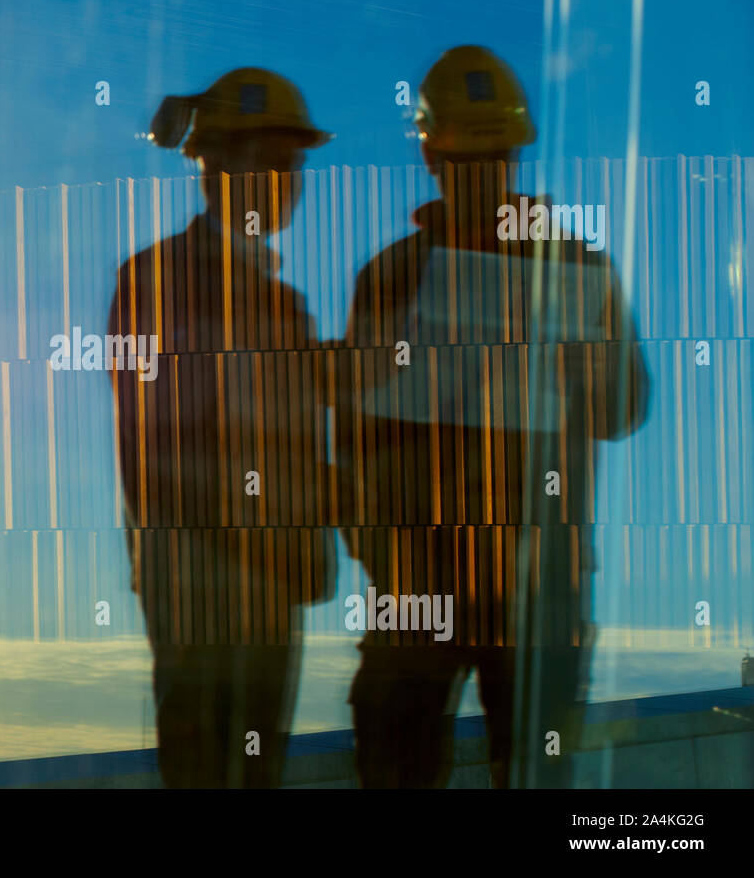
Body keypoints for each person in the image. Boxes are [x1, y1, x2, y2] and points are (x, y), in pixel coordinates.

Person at [334, 45, 651, 787]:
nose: (482, 176)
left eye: (494, 160)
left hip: (534, 585)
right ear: (435, 162)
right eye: (467, 160)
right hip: (423, 579)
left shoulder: (578, 269)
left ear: (512, 161)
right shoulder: (390, 278)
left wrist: (592, 369)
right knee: (395, 765)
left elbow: (627, 405)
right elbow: (352, 431)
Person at [106, 67, 338, 787]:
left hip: (268, 580)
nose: (289, 180)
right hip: (206, 584)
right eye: (273, 161)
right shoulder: (152, 280)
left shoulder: (286, 308)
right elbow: (163, 440)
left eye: (294, 166)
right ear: (215, 169)